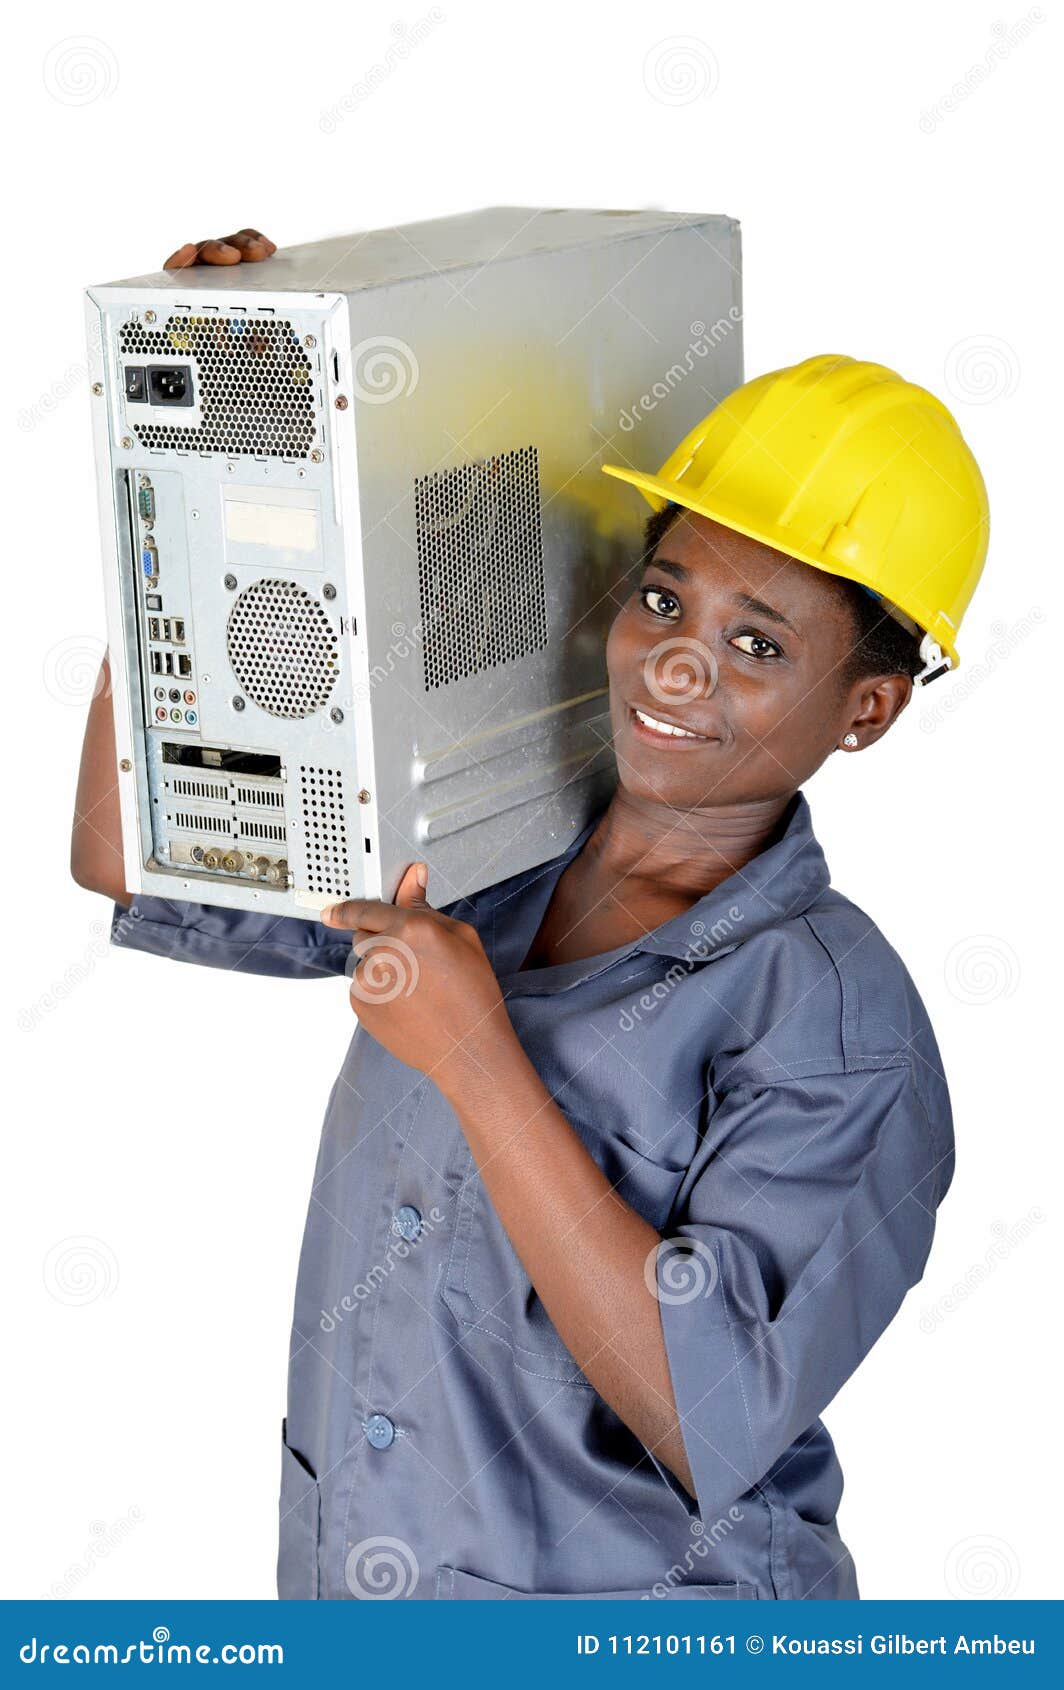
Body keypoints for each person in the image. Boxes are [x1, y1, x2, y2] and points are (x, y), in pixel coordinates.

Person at [71, 234, 989, 1601]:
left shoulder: (836, 1025)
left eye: (761, 642)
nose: (680, 656)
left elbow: (709, 1408)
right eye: (665, 595)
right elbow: (128, 854)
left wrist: (479, 1054)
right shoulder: (487, 853)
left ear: (869, 706)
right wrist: (201, 466)